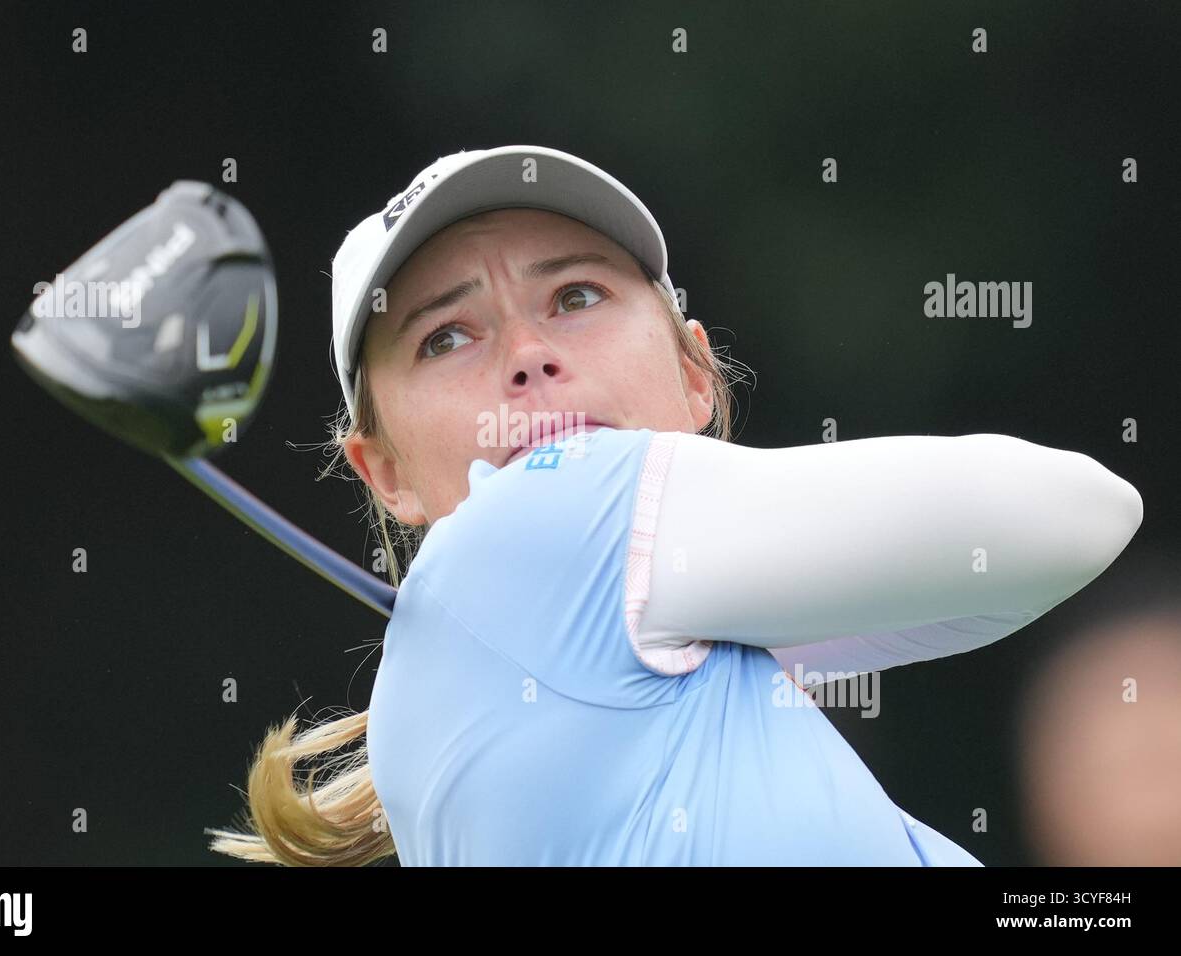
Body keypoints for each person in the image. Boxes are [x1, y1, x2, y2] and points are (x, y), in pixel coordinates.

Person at [207, 145, 1144, 866]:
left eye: (575, 295)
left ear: (695, 371)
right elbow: (1077, 513)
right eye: (446, 336)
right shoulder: (540, 519)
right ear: (384, 473)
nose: (528, 354)